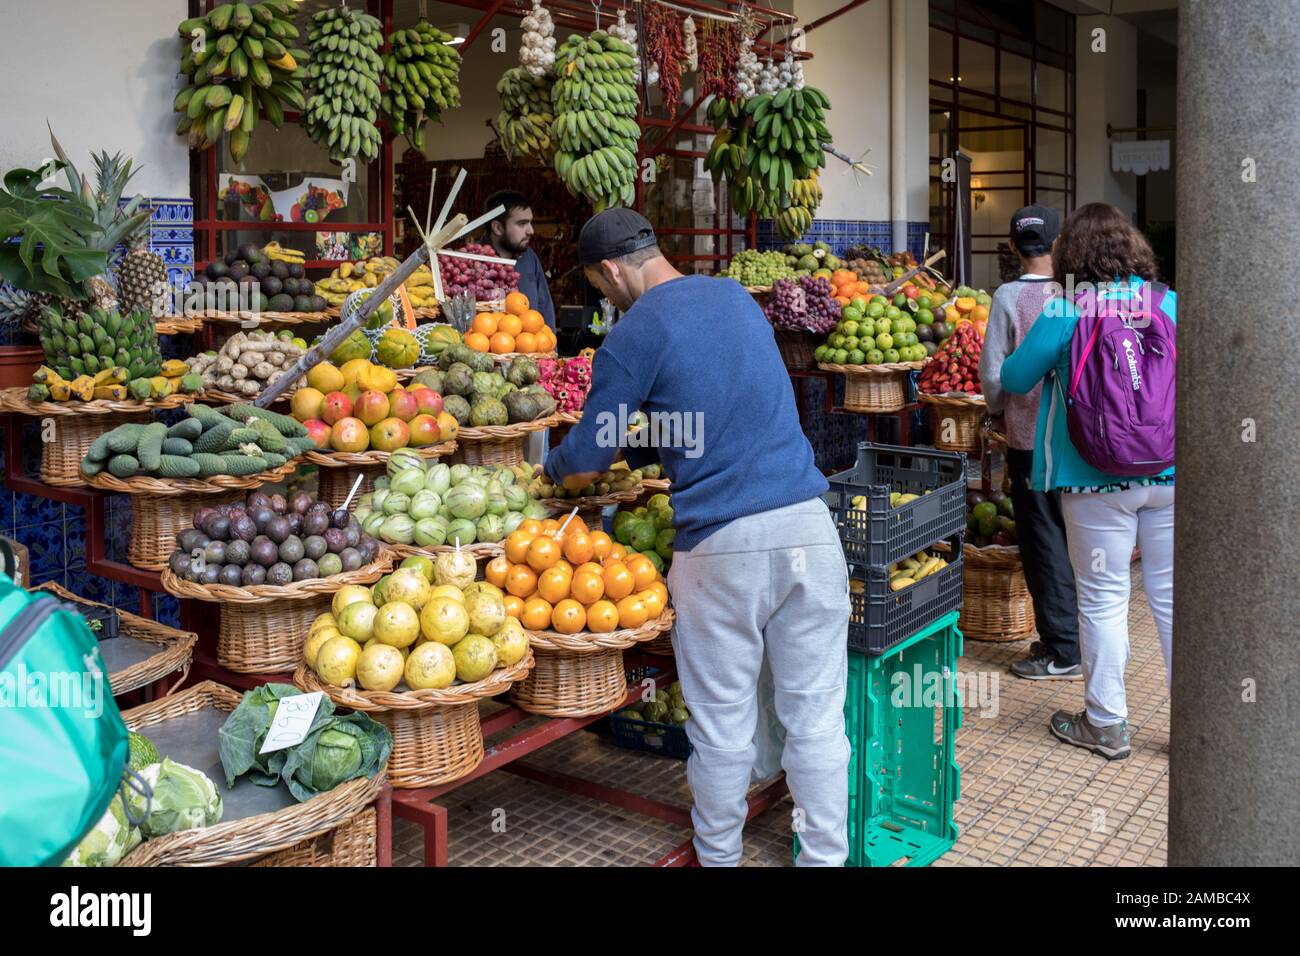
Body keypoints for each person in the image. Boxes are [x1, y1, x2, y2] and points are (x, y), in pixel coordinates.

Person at [545, 209, 851, 866]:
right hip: (809, 527)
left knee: (721, 727)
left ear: (611, 270)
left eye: (601, 288)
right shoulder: (736, 297)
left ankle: (719, 858)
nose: (606, 299)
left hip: (723, 547)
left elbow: (590, 457)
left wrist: (551, 470)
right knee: (818, 719)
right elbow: (723, 401)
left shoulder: (634, 334)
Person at [1001, 202, 1175, 761]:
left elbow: (1014, 377)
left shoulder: (1067, 308)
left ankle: (1106, 723)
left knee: (1103, 600)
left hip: (1092, 480)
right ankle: (1193, 732)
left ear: (1072, 253)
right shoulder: (1168, 302)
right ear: (1134, 248)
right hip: (1171, 474)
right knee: (1171, 602)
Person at [981, 206, 1082, 681]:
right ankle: (1081, 636)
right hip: (1080, 443)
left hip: (1028, 441)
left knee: (1043, 544)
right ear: (1058, 242)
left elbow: (995, 374)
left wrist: (996, 409)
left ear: (1013, 248)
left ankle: (1062, 648)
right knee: (1080, 540)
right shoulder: (1079, 291)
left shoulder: (1007, 296)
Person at [483, 190, 555, 329]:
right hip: (488, 347)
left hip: (532, 347)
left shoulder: (529, 257)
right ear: (497, 228)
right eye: (522, 224)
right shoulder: (472, 263)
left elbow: (545, 306)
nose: (531, 231)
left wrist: (551, 347)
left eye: (530, 223)